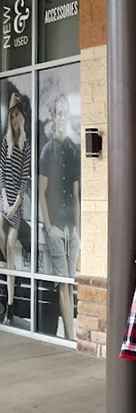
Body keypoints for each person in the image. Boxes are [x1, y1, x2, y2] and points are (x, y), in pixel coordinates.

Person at [38, 92, 80, 340]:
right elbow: (42, 192)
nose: (62, 117)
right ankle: (69, 336)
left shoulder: (74, 151)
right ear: (53, 117)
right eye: (59, 113)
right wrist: (47, 225)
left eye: (66, 112)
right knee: (63, 281)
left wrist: (78, 230)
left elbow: (76, 194)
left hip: (71, 228)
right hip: (54, 225)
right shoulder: (47, 151)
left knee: (72, 281)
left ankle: (69, 334)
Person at [0, 92, 30, 324]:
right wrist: (4, 201)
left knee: (10, 247)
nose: (14, 120)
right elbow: (1, 174)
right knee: (6, 251)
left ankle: (10, 304)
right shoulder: (5, 142)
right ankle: (10, 285)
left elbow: (25, 179)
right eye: (11, 116)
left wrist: (15, 205)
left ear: (21, 116)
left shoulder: (25, 145)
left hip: (16, 208)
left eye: (17, 115)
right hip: (3, 203)